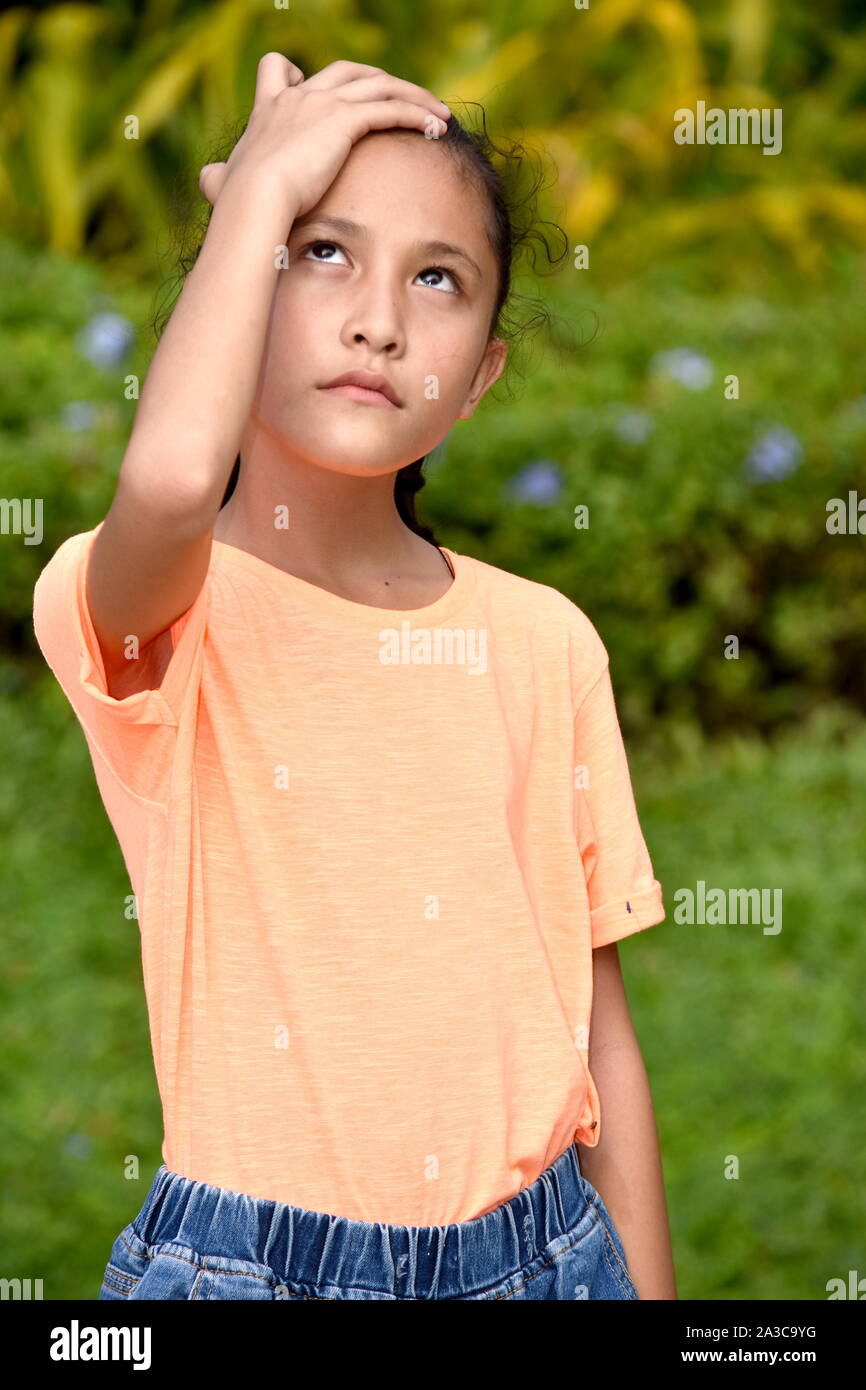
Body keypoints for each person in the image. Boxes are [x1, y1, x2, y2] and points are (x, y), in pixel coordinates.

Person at [32, 52, 677, 1300]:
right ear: (230, 299)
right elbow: (172, 478)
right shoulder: (161, 617)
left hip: (547, 1258)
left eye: (436, 278)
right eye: (321, 252)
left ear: (480, 374)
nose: (378, 319)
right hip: (248, 1272)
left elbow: (599, 1037)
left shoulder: (544, 641)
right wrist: (256, 196)